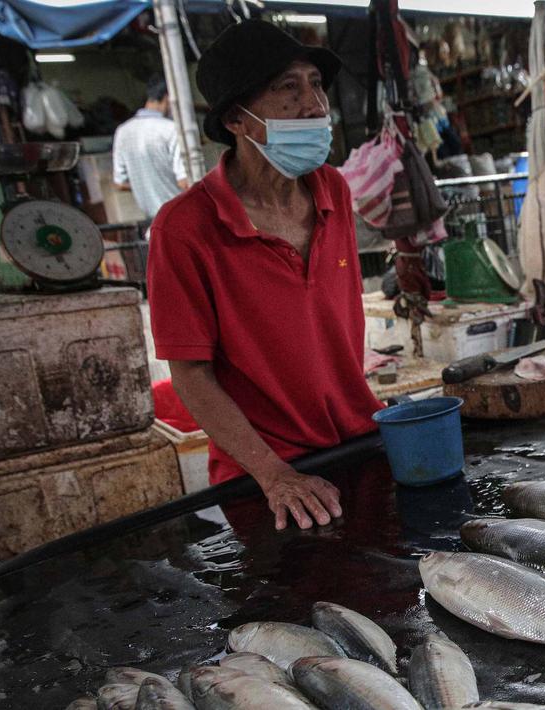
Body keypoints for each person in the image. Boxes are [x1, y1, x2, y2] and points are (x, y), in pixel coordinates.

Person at [146, 20, 385, 531]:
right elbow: (190, 374)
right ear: (237, 118)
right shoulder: (184, 227)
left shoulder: (333, 190)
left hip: (358, 442)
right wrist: (274, 474)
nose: (315, 105)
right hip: (265, 475)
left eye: (316, 85)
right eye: (288, 88)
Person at [113, 75, 190, 220]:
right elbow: (184, 182)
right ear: (168, 97)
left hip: (152, 221)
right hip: (180, 216)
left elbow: (120, 184)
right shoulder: (171, 129)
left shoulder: (122, 131)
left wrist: (148, 185)